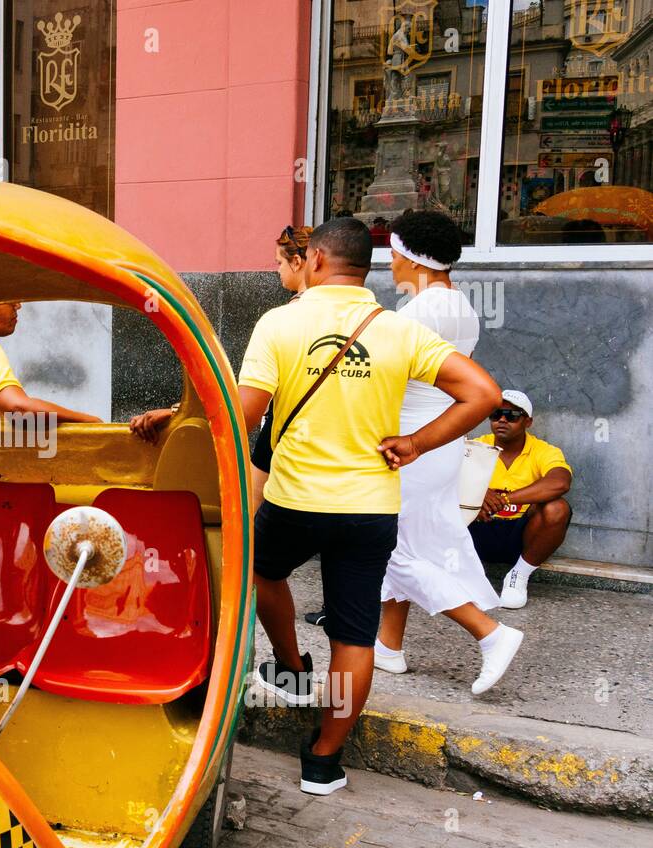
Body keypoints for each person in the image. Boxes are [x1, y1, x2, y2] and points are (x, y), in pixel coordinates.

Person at [237, 217, 499, 796]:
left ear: (317, 261)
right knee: (355, 637)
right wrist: (415, 443)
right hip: (370, 509)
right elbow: (483, 394)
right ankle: (324, 762)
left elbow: (242, 416)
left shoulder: (279, 323)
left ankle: (290, 668)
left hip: (294, 501)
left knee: (263, 569)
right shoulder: (397, 330)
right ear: (367, 267)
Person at [374, 211, 523, 695]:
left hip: (413, 442)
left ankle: (490, 633)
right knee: (412, 542)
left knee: (389, 547)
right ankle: (388, 646)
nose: (389, 263)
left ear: (409, 257)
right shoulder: (460, 305)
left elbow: (390, 381)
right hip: (442, 442)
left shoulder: (416, 313)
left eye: (393, 253)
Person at [129, 227, 311, 519]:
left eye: (279, 262)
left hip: (281, 434)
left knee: (252, 529)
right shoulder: (363, 317)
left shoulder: (280, 321)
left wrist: (178, 413)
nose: (277, 272)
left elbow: (246, 410)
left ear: (299, 262)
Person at [469, 389, 572, 609]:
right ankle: (466, 573)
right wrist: (475, 495)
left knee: (557, 508)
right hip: (479, 529)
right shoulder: (476, 447)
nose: (502, 420)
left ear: (528, 421)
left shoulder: (543, 451)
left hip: (522, 536)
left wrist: (505, 499)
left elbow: (560, 482)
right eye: (496, 415)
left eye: (512, 415)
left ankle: (518, 576)